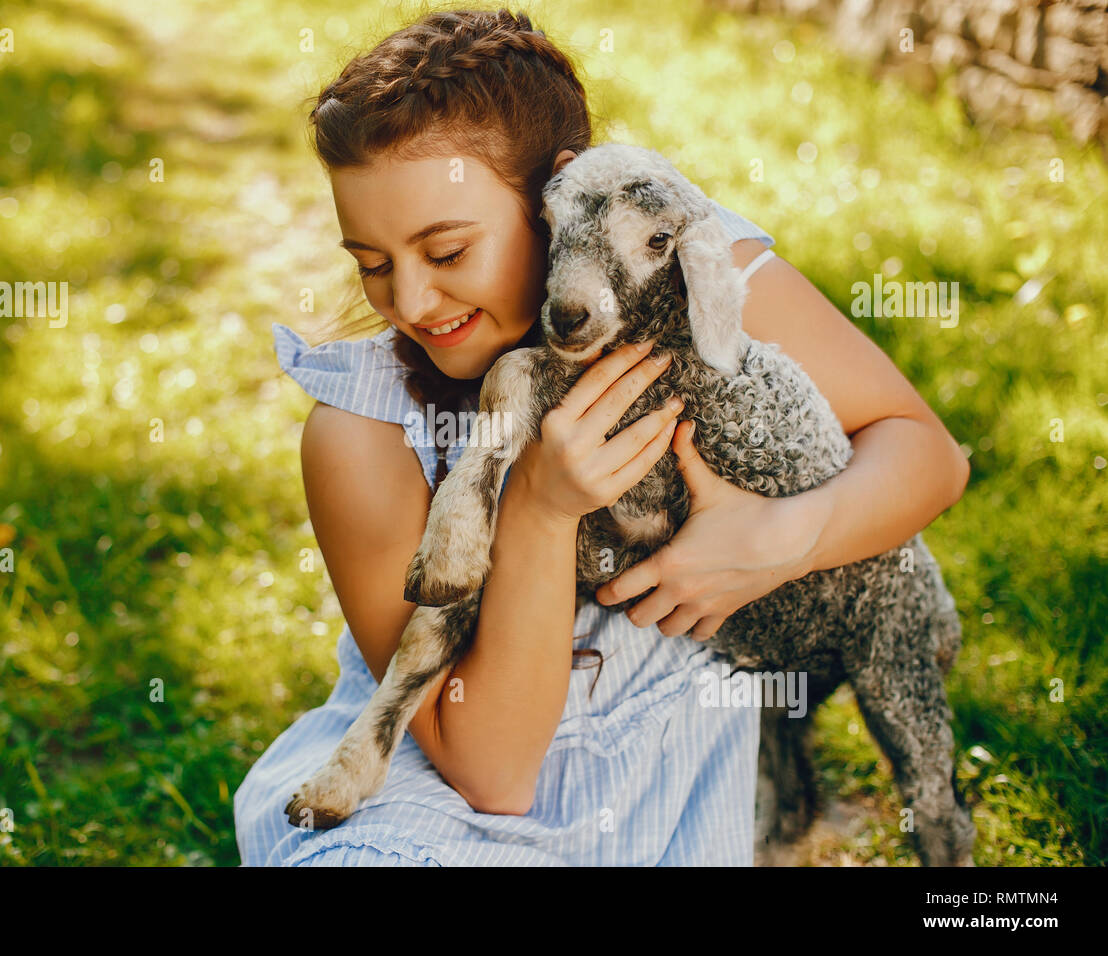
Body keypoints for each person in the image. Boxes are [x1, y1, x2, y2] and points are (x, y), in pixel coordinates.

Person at [233, 8, 970, 866]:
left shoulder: (688, 278)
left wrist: (779, 538)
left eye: (448, 251)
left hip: (675, 784)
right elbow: (492, 776)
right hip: (445, 793)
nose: (412, 302)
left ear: (558, 201)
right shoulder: (364, 429)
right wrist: (541, 511)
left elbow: (927, 454)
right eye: (371, 262)